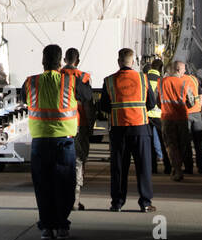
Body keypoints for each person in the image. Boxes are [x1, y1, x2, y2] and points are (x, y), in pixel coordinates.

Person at [23, 44, 91, 239]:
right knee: (65, 185)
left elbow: (24, 99)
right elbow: (86, 96)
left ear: (43, 61)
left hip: (40, 143)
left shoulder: (31, 82)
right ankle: (62, 225)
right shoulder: (70, 81)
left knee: (43, 185)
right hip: (64, 142)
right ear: (60, 62)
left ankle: (47, 227)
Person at [95, 48, 158, 213]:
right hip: (140, 128)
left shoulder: (109, 81)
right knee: (143, 167)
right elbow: (152, 103)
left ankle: (117, 203)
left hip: (119, 129)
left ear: (118, 62)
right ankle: (145, 203)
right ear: (133, 61)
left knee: (119, 168)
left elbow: (104, 106)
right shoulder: (143, 79)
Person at [61, 48, 93, 211]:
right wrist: (90, 125)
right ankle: (74, 200)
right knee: (78, 161)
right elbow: (88, 105)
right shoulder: (83, 78)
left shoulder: (57, 76)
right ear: (77, 61)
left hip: (60, 125)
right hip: (79, 124)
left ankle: (61, 199)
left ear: (64, 60)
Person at [159, 61, 196, 180]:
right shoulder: (185, 83)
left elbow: (157, 100)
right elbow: (191, 103)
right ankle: (178, 169)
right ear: (178, 69)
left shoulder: (162, 82)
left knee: (171, 145)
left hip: (167, 118)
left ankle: (176, 169)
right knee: (182, 144)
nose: (185, 71)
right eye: (184, 69)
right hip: (181, 118)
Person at [145, 59, 170, 174]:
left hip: (147, 115)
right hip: (160, 115)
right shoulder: (163, 81)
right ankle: (167, 167)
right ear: (161, 69)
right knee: (164, 142)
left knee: (149, 143)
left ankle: (152, 168)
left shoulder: (144, 79)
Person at [183, 67, 202, 174]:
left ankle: (189, 168)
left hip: (185, 114)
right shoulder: (194, 79)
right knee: (199, 142)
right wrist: (199, 108)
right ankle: (201, 167)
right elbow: (201, 95)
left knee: (186, 142)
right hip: (197, 114)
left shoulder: (179, 80)